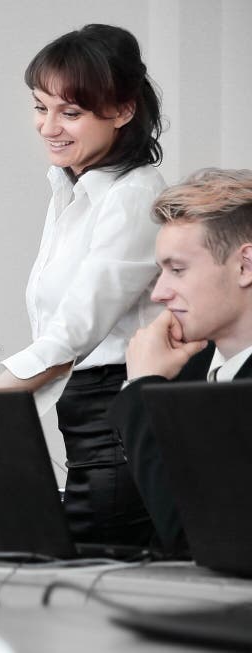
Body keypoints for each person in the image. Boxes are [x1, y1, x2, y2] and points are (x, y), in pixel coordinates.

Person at [0, 24, 167, 544]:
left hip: (116, 425)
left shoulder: (134, 196)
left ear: (123, 110)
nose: (49, 126)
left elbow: (72, 334)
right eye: (40, 107)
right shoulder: (70, 188)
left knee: (97, 577)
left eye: (70, 112)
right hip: (84, 419)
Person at [109, 168, 252, 553]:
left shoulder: (158, 379)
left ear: (245, 266)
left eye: (177, 270)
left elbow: (198, 538)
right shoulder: (186, 370)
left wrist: (141, 390)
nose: (158, 293)